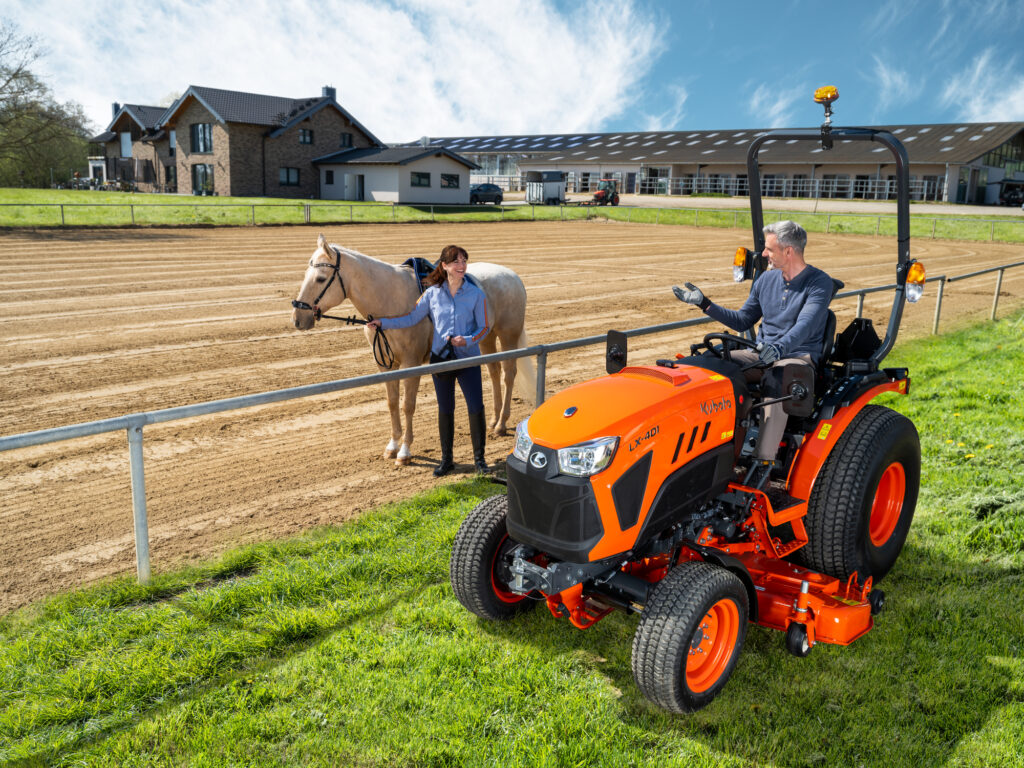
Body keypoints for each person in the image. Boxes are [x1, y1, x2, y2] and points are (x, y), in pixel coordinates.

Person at [673, 220, 835, 480]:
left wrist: (778, 348)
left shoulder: (819, 283)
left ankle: (763, 464)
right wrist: (705, 304)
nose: (763, 254)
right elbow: (742, 320)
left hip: (797, 356)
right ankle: (710, 449)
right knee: (709, 364)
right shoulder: (765, 280)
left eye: (769, 249)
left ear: (788, 251)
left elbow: (805, 326)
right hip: (761, 353)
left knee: (778, 377)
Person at [367, 245, 490, 476]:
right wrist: (383, 323)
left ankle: (480, 460)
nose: (462, 266)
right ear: (444, 266)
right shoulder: (431, 294)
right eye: (457, 262)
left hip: (468, 360)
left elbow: (485, 327)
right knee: (445, 409)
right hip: (440, 360)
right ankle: (447, 460)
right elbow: (412, 317)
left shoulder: (476, 295)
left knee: (475, 407)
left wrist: (469, 339)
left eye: (464, 261)